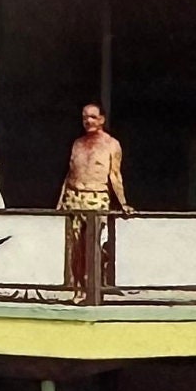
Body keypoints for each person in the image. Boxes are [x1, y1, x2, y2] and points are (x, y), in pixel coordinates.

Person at [58, 104, 128, 290]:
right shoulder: (77, 143)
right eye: (84, 118)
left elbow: (114, 174)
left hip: (97, 196)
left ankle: (94, 286)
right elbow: (70, 172)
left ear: (102, 119)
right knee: (76, 247)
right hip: (74, 196)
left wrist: (123, 202)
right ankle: (79, 288)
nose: (88, 121)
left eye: (92, 117)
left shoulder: (112, 144)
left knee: (93, 244)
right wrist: (60, 200)